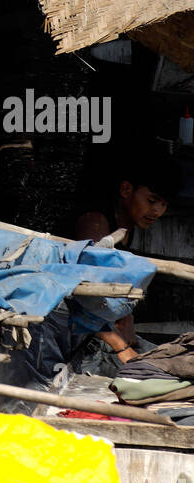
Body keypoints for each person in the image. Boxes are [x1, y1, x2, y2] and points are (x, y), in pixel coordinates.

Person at [73, 145, 183, 364]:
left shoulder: (126, 228)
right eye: (152, 201)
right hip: (75, 335)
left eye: (164, 205)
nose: (158, 211)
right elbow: (82, 297)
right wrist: (120, 346)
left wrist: (127, 320)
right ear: (126, 190)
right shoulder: (96, 224)